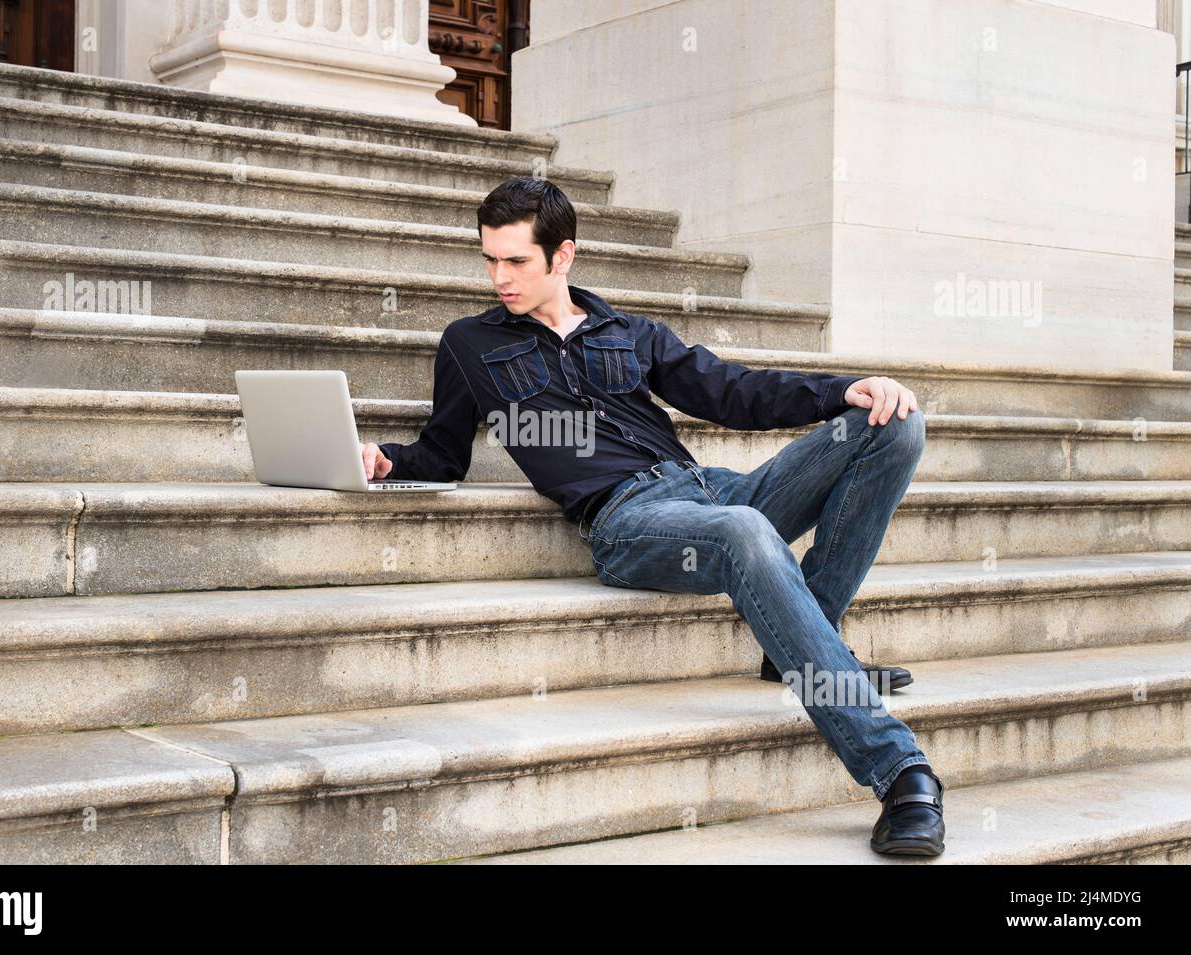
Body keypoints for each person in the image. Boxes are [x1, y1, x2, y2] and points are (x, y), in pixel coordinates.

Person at [361, 177, 945, 855]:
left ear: (564, 255)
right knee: (746, 533)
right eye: (490, 259)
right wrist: (387, 461)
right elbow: (442, 453)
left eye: (516, 260)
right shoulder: (471, 343)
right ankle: (902, 771)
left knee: (894, 424)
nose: (500, 278)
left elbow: (733, 392)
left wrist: (845, 389)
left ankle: (809, 649)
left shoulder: (629, 333)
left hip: (710, 488)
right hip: (628, 521)